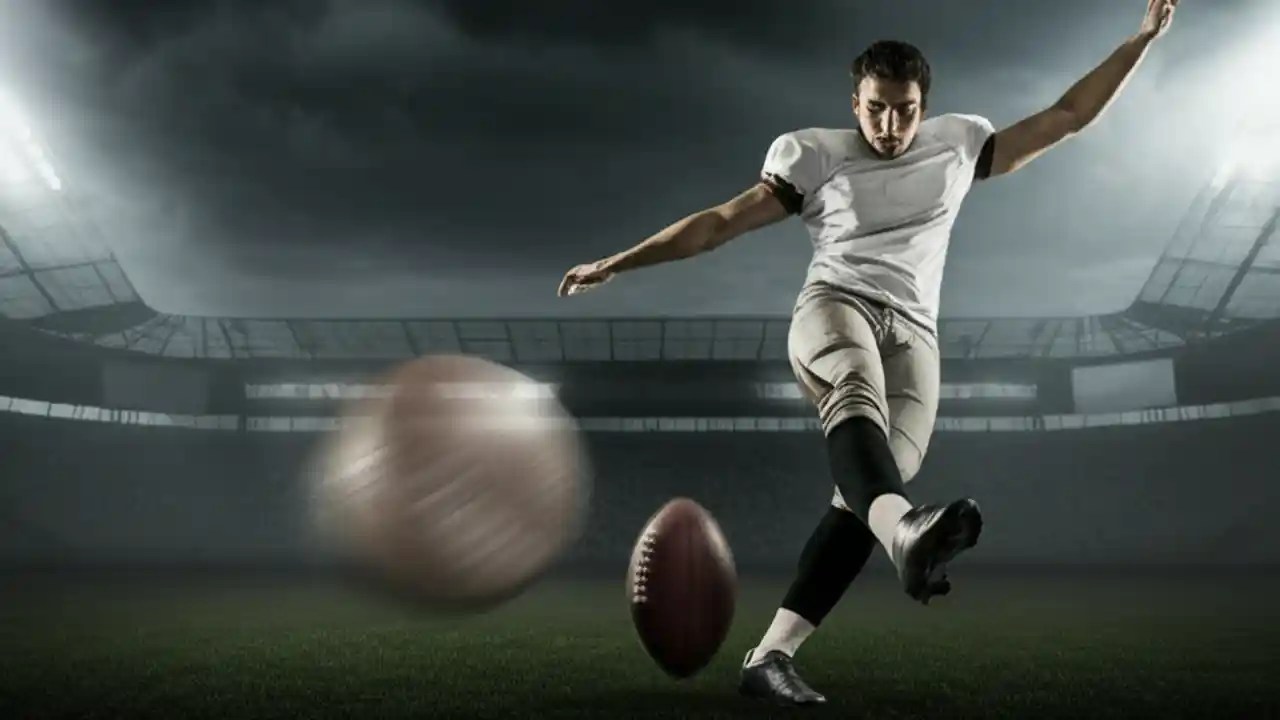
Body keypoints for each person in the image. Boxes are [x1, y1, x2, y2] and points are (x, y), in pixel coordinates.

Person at [558, 0, 1179, 706]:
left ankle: (770, 657)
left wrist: (1141, 40)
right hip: (836, 308)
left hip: (916, 337)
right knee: (857, 399)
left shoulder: (957, 145)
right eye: (877, 109)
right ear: (854, 101)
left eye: (905, 110)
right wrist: (619, 261)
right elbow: (719, 225)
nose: (890, 125)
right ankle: (907, 534)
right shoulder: (814, 155)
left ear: (925, 106)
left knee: (873, 491)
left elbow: (1067, 116)